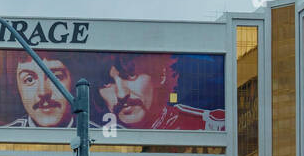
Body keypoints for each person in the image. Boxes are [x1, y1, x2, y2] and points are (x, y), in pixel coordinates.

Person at [95, 52, 225, 130]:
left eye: (130, 75)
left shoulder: (207, 127)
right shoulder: (94, 140)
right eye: (106, 83)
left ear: (160, 76)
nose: (121, 94)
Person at [6, 53, 76, 127]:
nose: (43, 92)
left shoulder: (89, 134)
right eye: (29, 80)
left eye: (56, 77)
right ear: (17, 87)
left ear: (73, 81)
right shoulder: (4, 136)